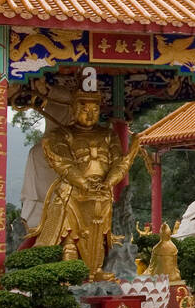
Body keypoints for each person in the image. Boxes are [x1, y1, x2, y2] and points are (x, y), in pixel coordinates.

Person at [30, 89, 142, 280]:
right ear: (73, 110)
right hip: (73, 192)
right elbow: (62, 162)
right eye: (84, 109)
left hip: (102, 192)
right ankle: (69, 273)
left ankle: (95, 270)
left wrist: (108, 182)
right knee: (70, 237)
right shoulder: (62, 135)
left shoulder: (108, 135)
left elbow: (118, 163)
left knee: (98, 235)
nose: (90, 114)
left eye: (95, 109)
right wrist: (82, 182)